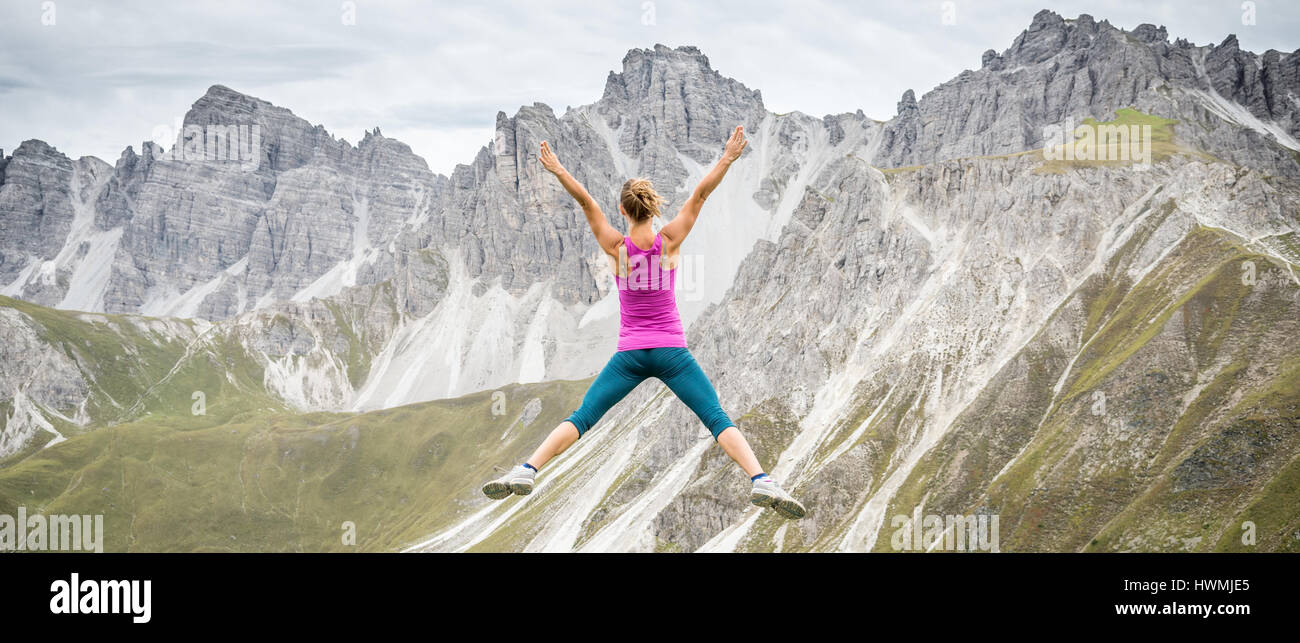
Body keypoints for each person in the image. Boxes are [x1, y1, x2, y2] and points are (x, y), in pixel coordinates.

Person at [482, 126, 806, 520]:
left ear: (623, 210)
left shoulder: (616, 248)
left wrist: (558, 170)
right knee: (716, 418)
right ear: (654, 210)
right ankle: (761, 480)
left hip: (631, 354)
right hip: (671, 352)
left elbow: (586, 203)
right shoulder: (669, 240)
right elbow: (701, 194)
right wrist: (728, 157)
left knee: (582, 418)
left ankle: (528, 469)